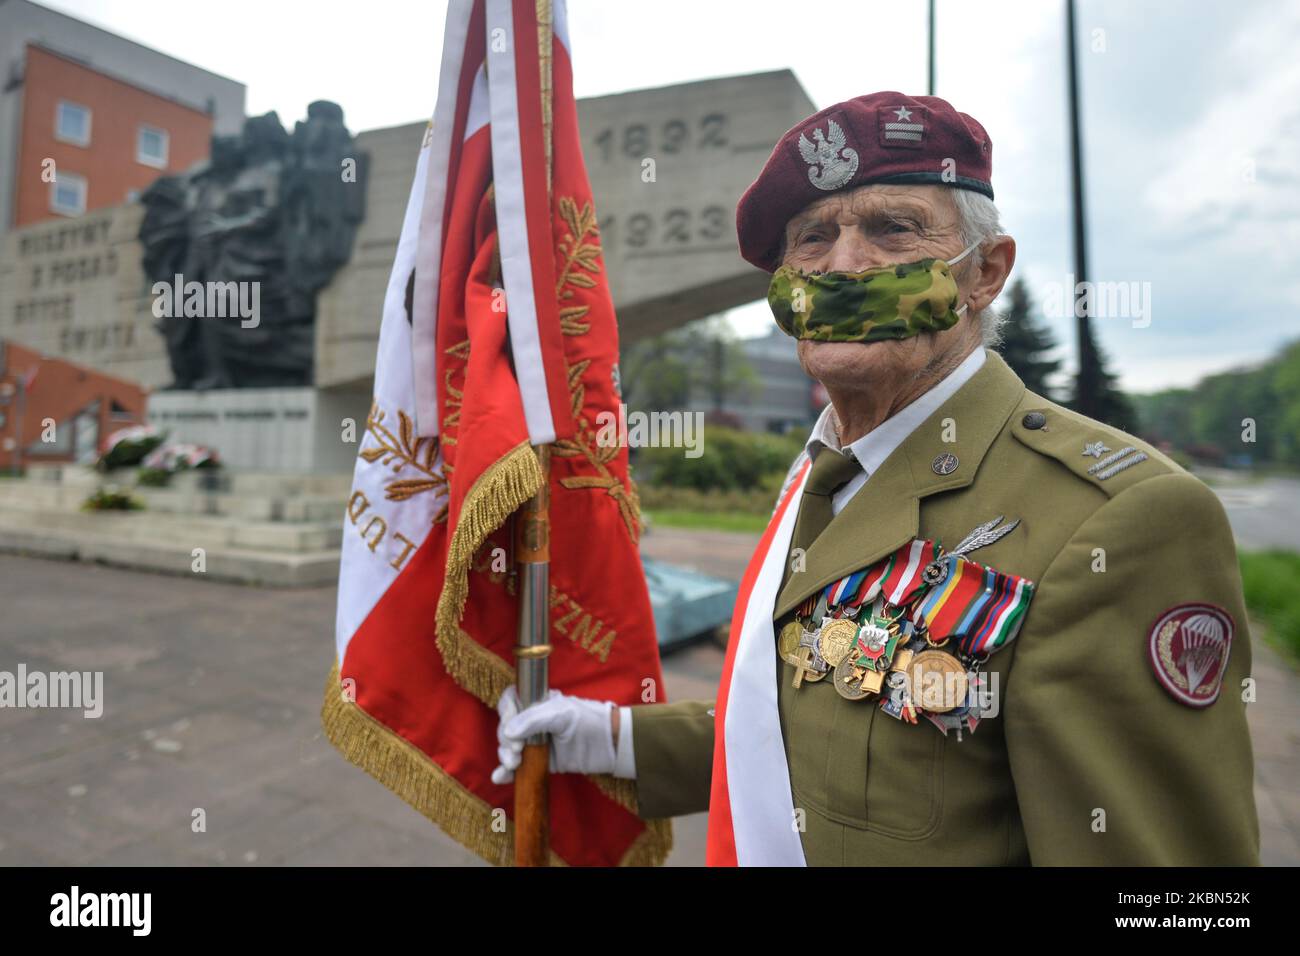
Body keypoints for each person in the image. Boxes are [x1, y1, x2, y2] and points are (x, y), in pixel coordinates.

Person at [493, 91, 1259, 866]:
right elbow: (813, 707)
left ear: (984, 274)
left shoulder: (1122, 517)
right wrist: (611, 738)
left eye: (893, 228)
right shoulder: (823, 471)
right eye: (813, 238)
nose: (845, 264)